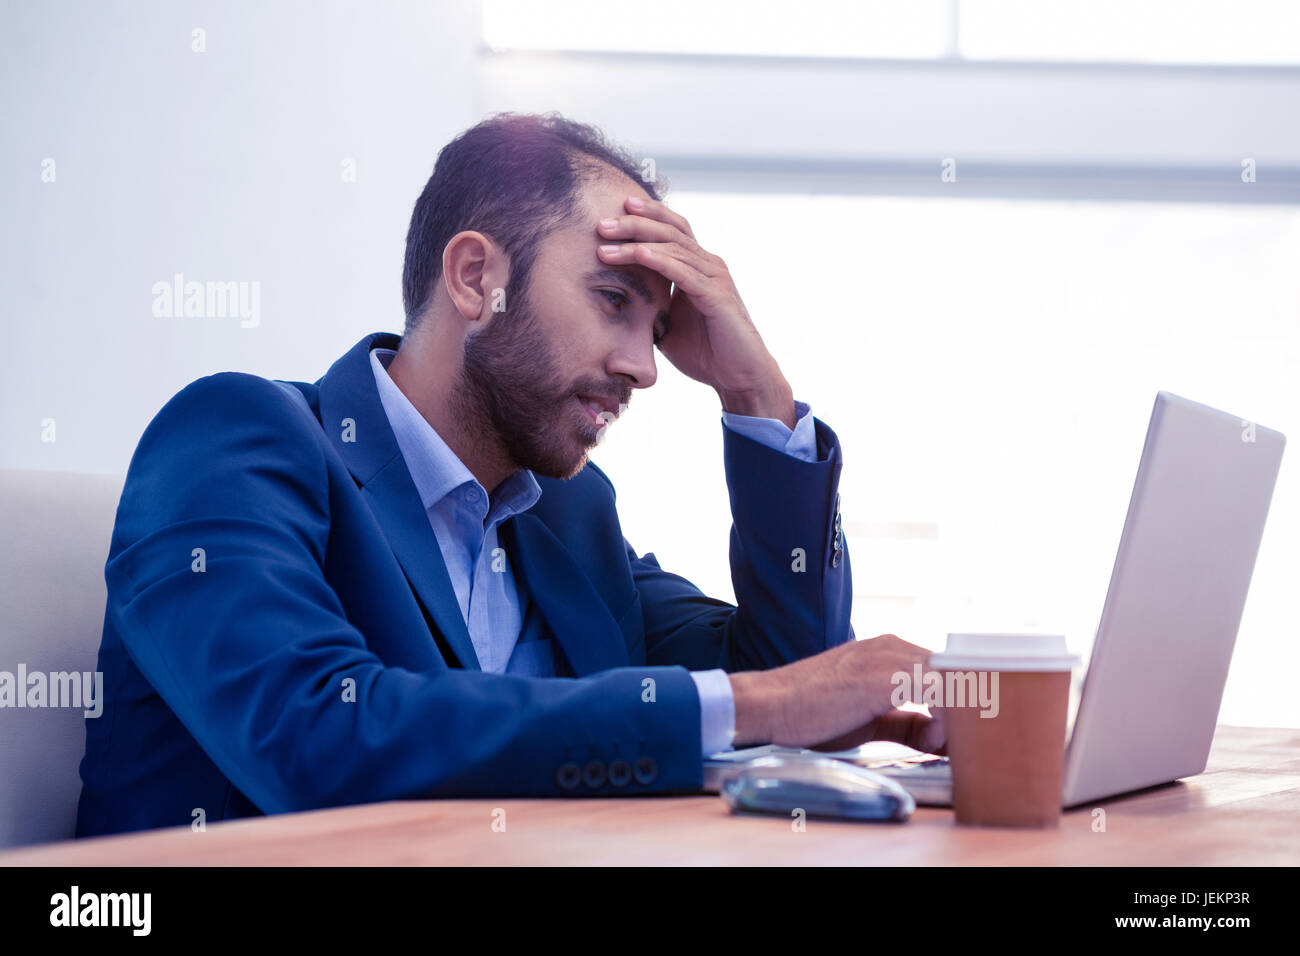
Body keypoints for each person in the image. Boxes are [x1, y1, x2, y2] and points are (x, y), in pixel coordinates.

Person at [76, 112, 944, 837]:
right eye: (613, 302)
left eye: (659, 329)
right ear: (475, 277)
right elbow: (317, 737)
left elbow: (788, 676)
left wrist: (758, 396)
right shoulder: (238, 437)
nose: (646, 368)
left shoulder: (566, 513)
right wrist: (771, 703)